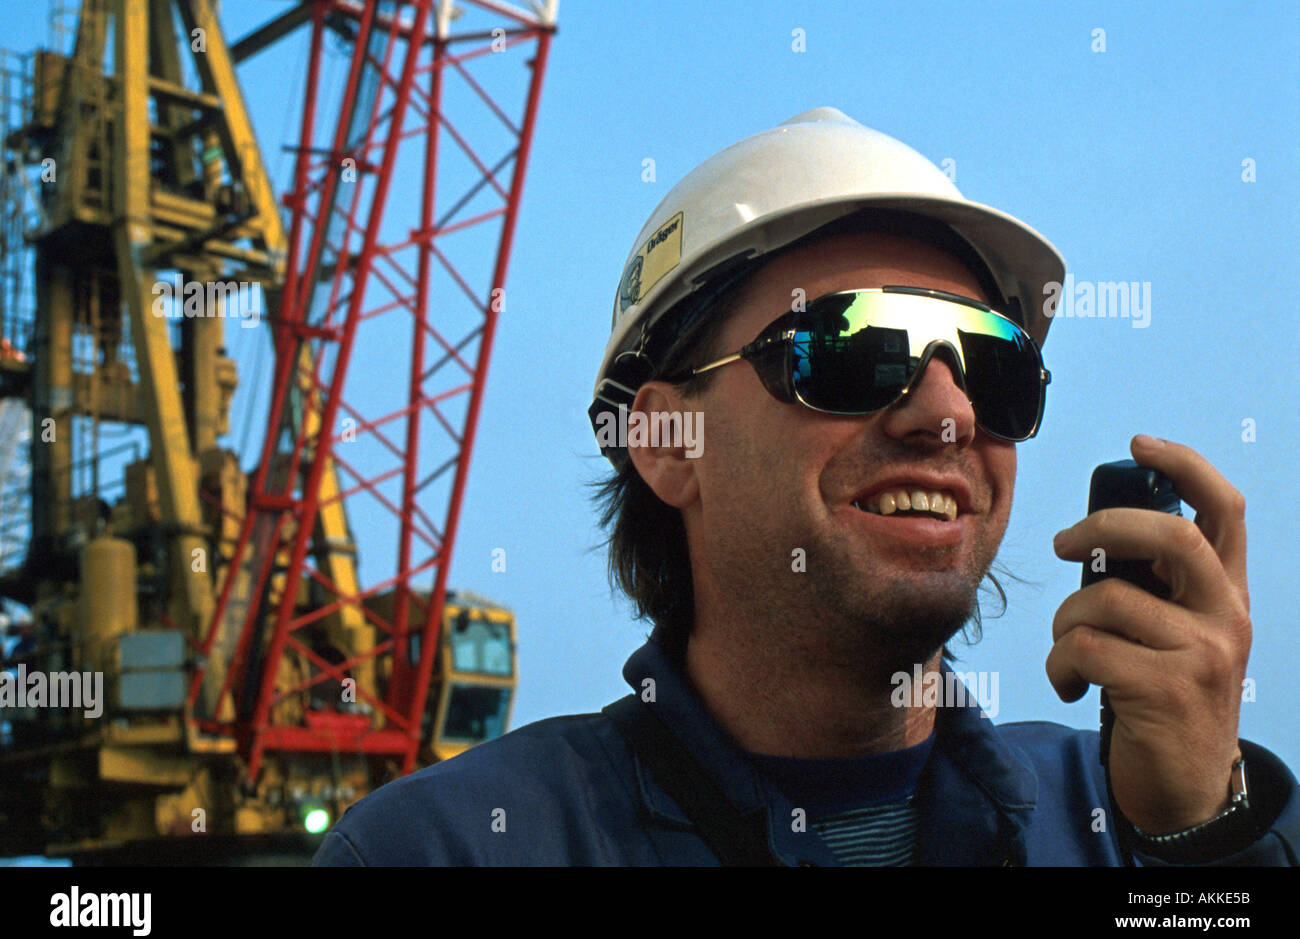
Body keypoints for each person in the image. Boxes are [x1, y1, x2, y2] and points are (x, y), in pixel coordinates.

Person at [312, 108, 1298, 866]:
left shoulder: (1139, 817)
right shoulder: (446, 848)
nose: (946, 413)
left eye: (994, 368)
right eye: (853, 349)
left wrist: (1200, 843)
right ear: (662, 439)